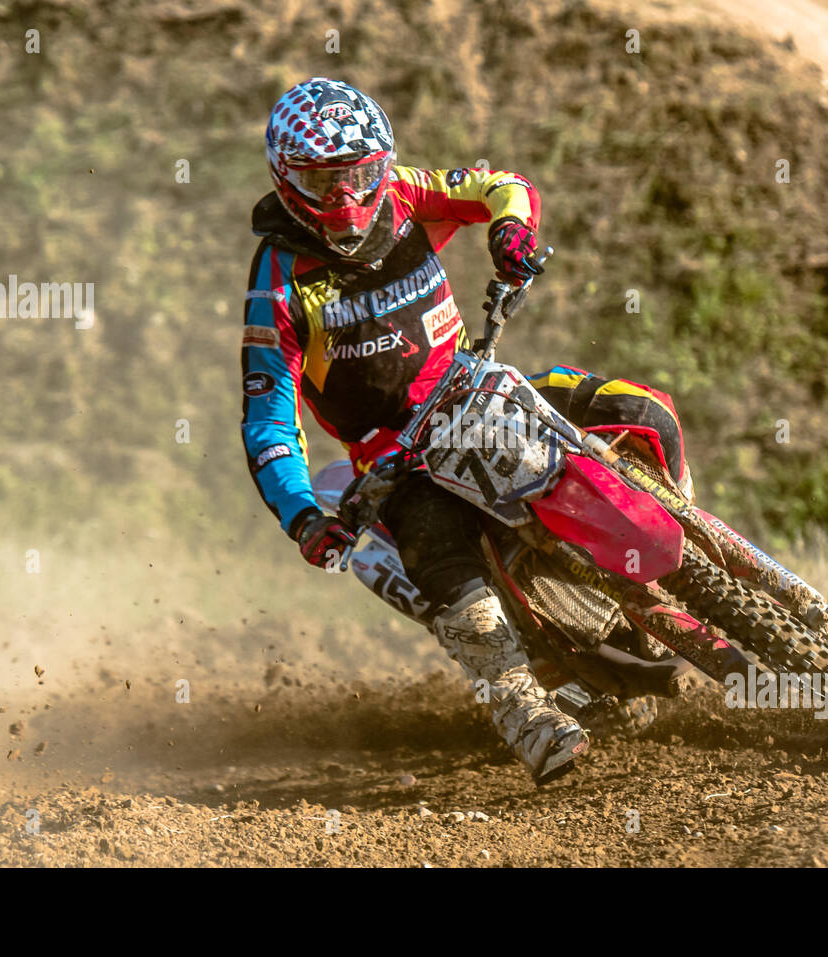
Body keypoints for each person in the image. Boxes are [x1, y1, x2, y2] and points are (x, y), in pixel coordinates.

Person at [241, 77, 689, 784]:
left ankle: (690, 553)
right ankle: (524, 711)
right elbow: (269, 421)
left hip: (480, 388)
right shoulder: (280, 283)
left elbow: (500, 184)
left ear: (381, 165)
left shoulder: (406, 193)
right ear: (286, 178)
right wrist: (303, 517)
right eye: (322, 183)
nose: (347, 200)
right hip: (399, 459)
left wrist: (512, 231)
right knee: (446, 567)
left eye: (359, 175)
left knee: (642, 411)